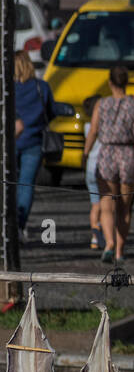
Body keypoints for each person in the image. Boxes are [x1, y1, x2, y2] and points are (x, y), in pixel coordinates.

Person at [83, 65, 134, 266]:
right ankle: (120, 250)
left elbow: (93, 131)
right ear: (127, 82)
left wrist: (85, 153)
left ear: (110, 82)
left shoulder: (101, 104)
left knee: (106, 203)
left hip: (107, 153)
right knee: (125, 207)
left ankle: (109, 243)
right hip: (128, 154)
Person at [13, 50, 54, 239]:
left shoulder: (8, 88)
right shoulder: (41, 87)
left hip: (11, 141)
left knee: (9, 184)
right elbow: (50, 112)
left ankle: (10, 223)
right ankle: (20, 226)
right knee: (26, 184)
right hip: (34, 141)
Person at [82, 95, 104, 250]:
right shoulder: (103, 127)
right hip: (102, 169)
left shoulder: (86, 126)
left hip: (90, 168)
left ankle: (94, 238)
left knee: (94, 205)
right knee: (105, 206)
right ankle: (102, 233)